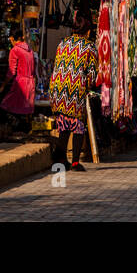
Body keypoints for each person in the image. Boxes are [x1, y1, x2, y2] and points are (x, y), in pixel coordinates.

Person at [48, 12, 98, 171]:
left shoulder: (62, 43)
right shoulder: (89, 46)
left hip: (57, 88)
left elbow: (56, 64)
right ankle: (75, 162)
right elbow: (91, 73)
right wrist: (87, 87)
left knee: (64, 124)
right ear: (88, 32)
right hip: (75, 89)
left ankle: (60, 161)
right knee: (78, 125)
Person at [0, 31, 36, 132]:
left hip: (20, 84)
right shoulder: (30, 50)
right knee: (23, 111)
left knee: (6, 105)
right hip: (30, 83)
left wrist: (2, 87)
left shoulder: (15, 50)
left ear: (12, 38)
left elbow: (11, 72)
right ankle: (22, 130)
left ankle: (14, 130)